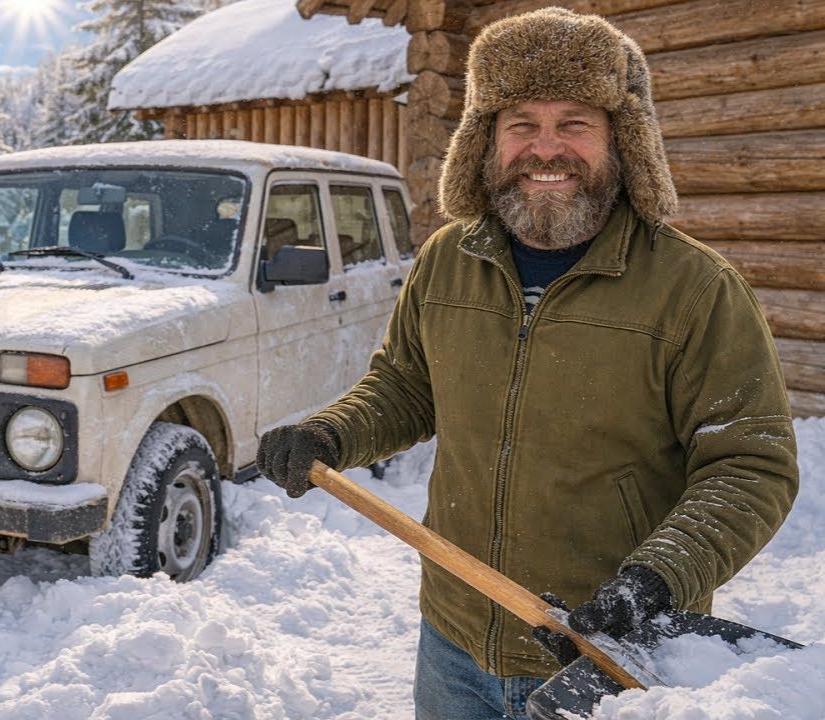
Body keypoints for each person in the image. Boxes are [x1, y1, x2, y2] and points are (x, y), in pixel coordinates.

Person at [256, 8, 798, 719]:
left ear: (621, 141)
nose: (545, 149)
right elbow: (407, 386)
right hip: (454, 637)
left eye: (573, 123)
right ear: (485, 140)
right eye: (520, 124)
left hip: (611, 659)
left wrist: (657, 580)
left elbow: (749, 466)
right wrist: (329, 434)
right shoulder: (449, 260)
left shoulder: (694, 290)